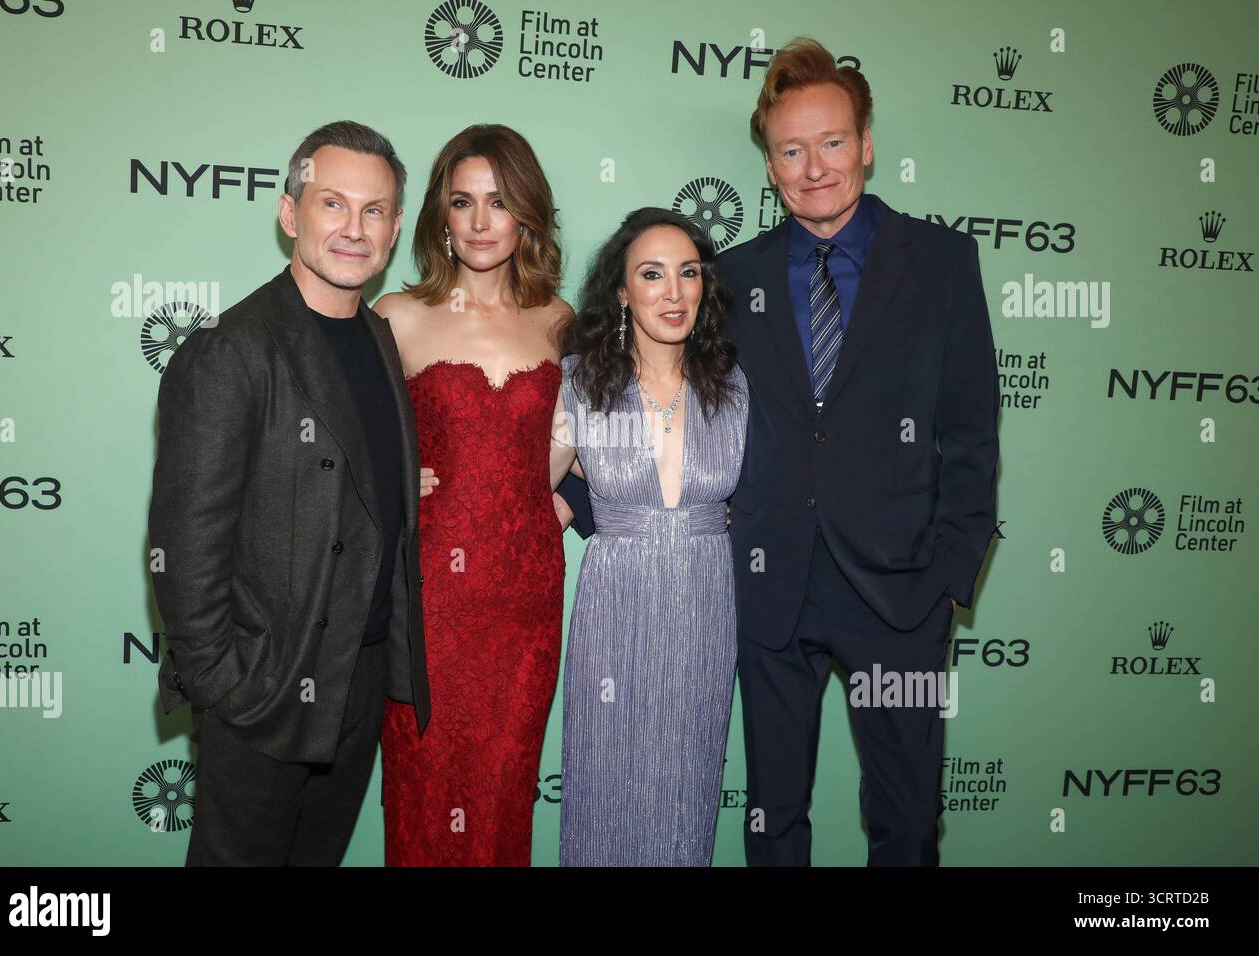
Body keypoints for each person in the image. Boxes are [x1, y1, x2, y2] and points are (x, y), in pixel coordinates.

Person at [556, 37, 1000, 866]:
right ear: (769, 166)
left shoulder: (941, 262)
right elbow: (665, 402)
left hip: (900, 596)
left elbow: (972, 432)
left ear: (866, 144)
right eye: (790, 151)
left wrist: (951, 576)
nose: (814, 167)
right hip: (767, 590)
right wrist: (585, 503)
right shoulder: (731, 276)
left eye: (832, 143)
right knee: (773, 820)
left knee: (907, 822)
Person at [149, 120, 431, 866]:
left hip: (357, 678)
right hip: (265, 685)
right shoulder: (231, 348)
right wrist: (228, 685)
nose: (354, 228)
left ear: (396, 227)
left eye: (375, 211)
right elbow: (185, 540)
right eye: (332, 203)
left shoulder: (377, 337)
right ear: (289, 213)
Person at [373, 124, 571, 866]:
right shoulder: (395, 316)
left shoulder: (558, 322)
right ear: (441, 218)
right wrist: (393, 480)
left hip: (524, 604)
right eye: (464, 202)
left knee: (501, 797)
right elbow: (338, 445)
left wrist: (558, 500)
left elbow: (584, 444)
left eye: (500, 201)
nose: (483, 221)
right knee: (424, 794)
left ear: (527, 213)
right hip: (428, 605)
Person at [550, 207, 748, 866]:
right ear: (621, 292)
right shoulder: (580, 382)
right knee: (603, 778)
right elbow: (524, 489)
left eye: (688, 273)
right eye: (652, 274)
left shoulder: (735, 385)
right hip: (614, 603)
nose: (672, 291)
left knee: (686, 786)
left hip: (703, 607)